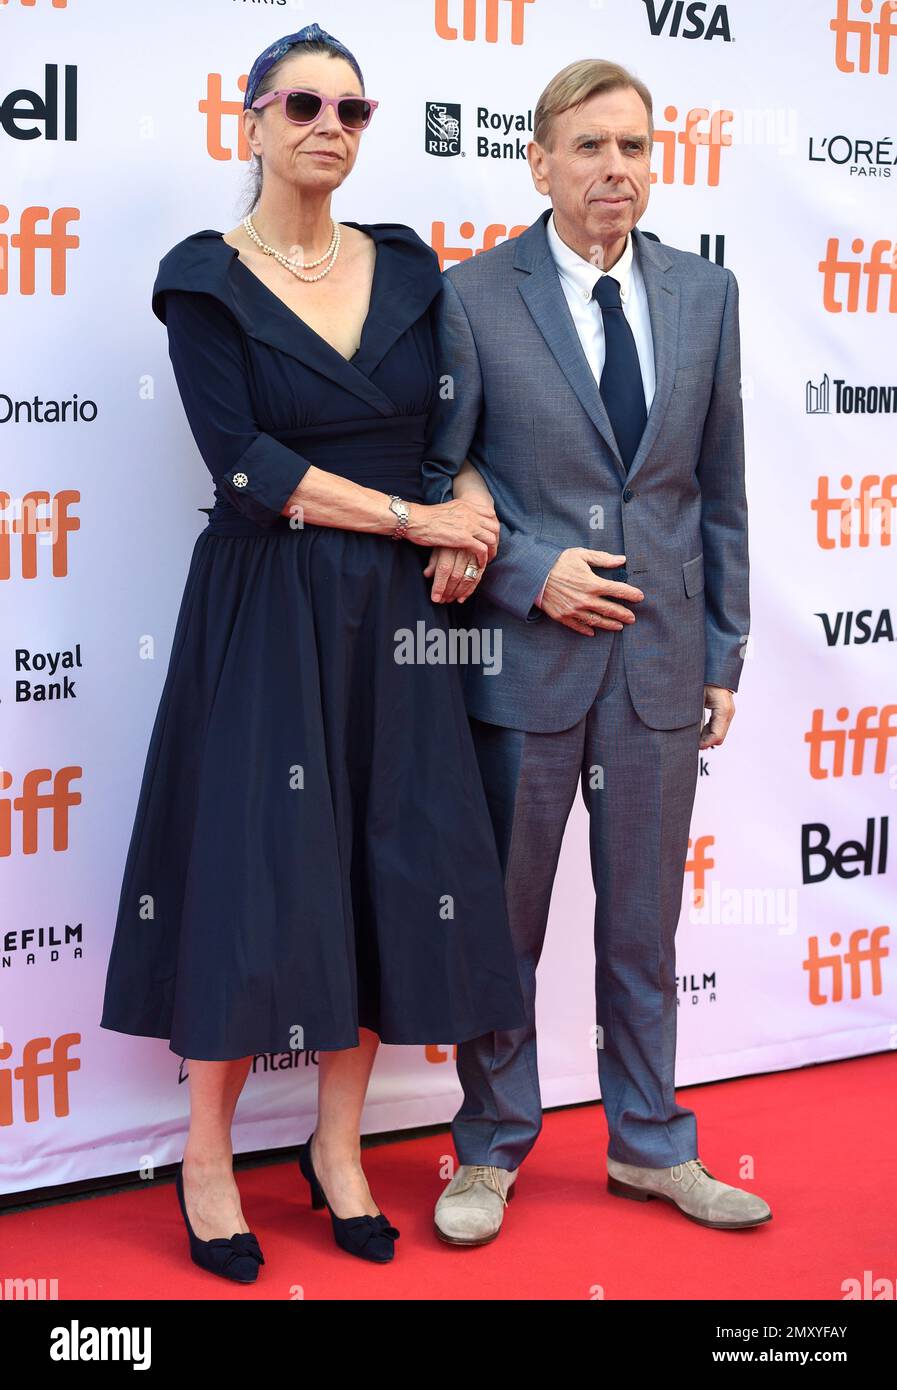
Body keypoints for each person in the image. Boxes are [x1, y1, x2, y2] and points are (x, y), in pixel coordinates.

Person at [100, 23, 525, 1282]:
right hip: (270, 605)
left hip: (399, 616)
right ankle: (209, 1156)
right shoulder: (203, 277)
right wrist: (419, 515)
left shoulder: (408, 267)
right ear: (250, 124)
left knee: (387, 862)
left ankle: (339, 1149)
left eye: (353, 107)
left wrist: (476, 510)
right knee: (254, 870)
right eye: (301, 105)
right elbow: (248, 469)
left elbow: (455, 421)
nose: (329, 125)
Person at [422, 58, 772, 1244]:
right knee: (502, 927)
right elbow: (435, 478)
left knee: (642, 929)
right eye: (588, 147)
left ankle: (649, 1143)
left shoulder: (706, 293)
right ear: (539, 160)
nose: (614, 168)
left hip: (665, 669)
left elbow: (718, 487)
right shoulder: (469, 297)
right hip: (522, 665)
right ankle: (486, 1151)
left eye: (632, 146)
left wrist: (724, 650)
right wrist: (530, 571)